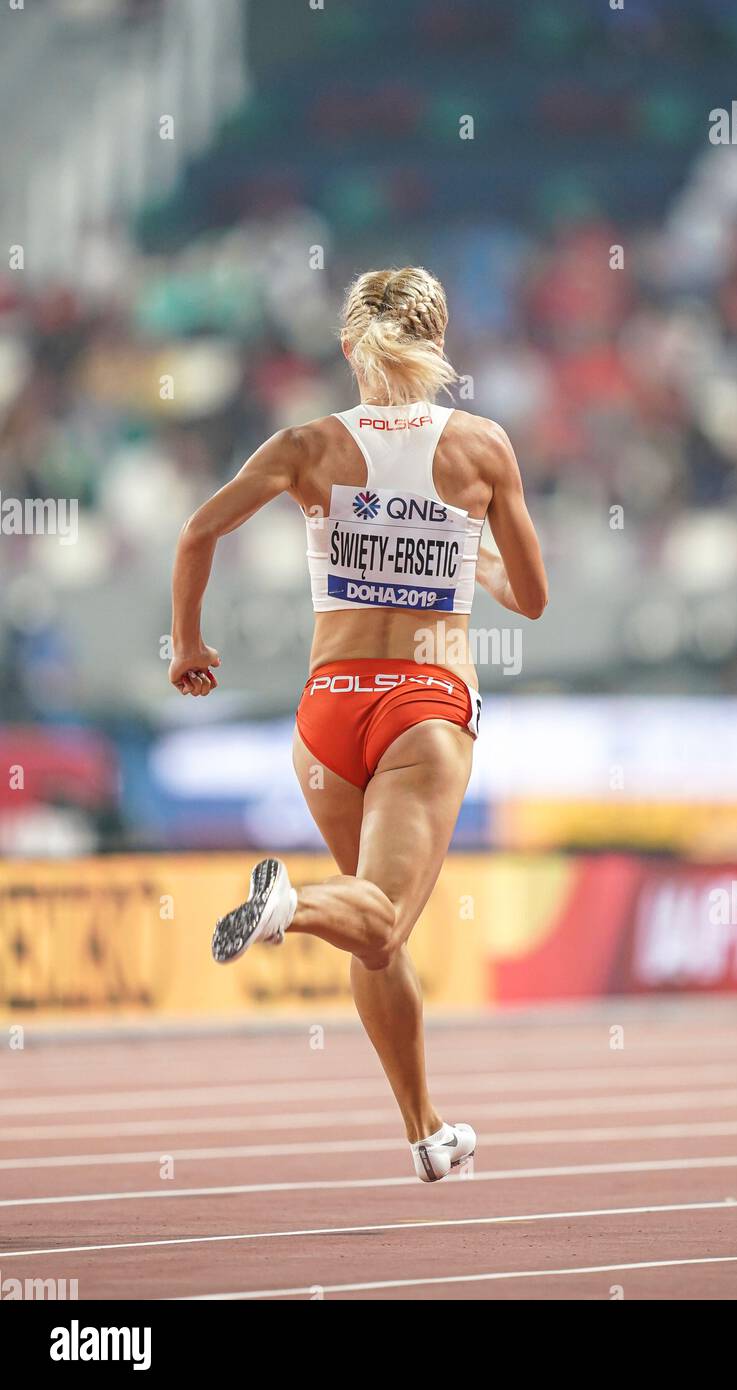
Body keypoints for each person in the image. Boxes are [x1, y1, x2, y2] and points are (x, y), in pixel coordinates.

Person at [168, 266, 547, 1181]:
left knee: (377, 927)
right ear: (439, 340)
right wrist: (477, 554)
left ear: (348, 347)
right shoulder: (481, 448)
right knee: (374, 921)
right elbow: (533, 600)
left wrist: (187, 644)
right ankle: (287, 907)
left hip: (327, 715)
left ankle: (425, 1132)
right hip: (423, 702)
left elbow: (196, 533)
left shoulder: (305, 445)